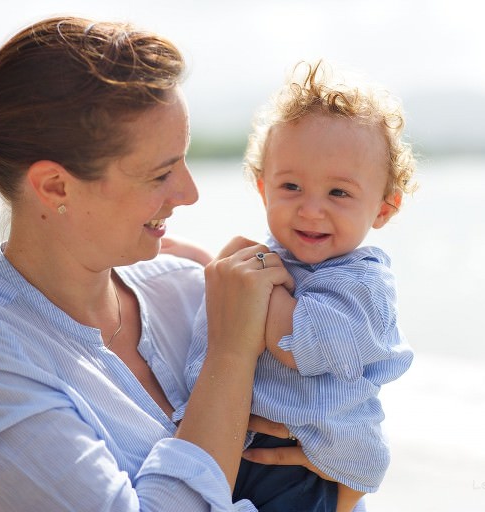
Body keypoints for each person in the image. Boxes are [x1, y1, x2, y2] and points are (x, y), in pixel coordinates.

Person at [0, 16, 316, 512]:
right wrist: (229, 354)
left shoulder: (188, 290)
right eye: (161, 173)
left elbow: (335, 458)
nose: (189, 192)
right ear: (55, 186)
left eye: (183, 161)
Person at [175, 61, 417, 512]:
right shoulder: (273, 256)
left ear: (384, 209)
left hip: (301, 466)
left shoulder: (361, 281)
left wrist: (249, 282)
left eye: (338, 193)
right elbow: (229, 280)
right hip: (237, 440)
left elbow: (296, 343)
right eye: (291, 186)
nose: (310, 210)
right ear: (263, 188)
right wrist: (193, 257)